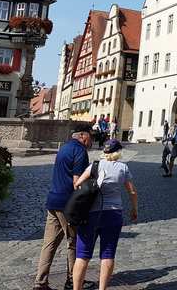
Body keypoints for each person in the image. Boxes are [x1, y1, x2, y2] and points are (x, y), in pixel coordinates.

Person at [33, 123, 95, 290]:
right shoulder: (80, 151)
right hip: (67, 204)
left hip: (53, 200)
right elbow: (77, 182)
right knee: (73, 242)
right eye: (91, 135)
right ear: (83, 135)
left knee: (49, 244)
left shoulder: (65, 147)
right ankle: (73, 280)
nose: (92, 139)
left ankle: (40, 282)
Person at [72, 139, 137, 290]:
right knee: (107, 254)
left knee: (82, 255)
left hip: (91, 215)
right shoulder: (123, 167)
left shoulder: (94, 165)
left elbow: (77, 184)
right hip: (113, 214)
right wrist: (134, 209)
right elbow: (132, 192)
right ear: (118, 152)